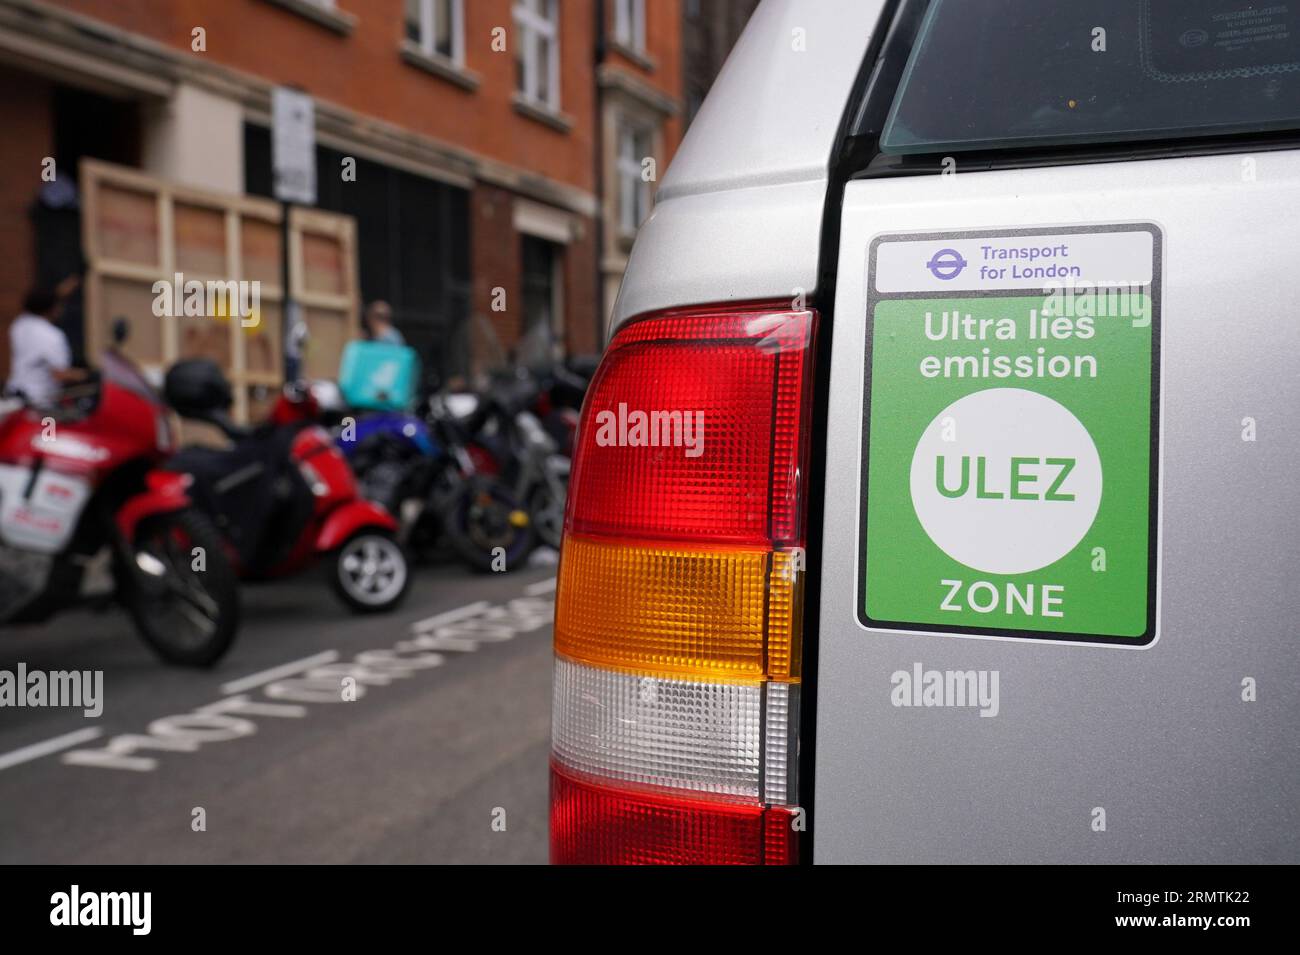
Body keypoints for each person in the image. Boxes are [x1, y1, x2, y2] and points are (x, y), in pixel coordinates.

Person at [5, 280, 86, 406]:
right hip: (39, 403)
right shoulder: (52, 335)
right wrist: (84, 375)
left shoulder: (19, 324)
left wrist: (57, 294)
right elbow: (60, 374)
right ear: (53, 308)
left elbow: (41, 302)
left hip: (14, 395)